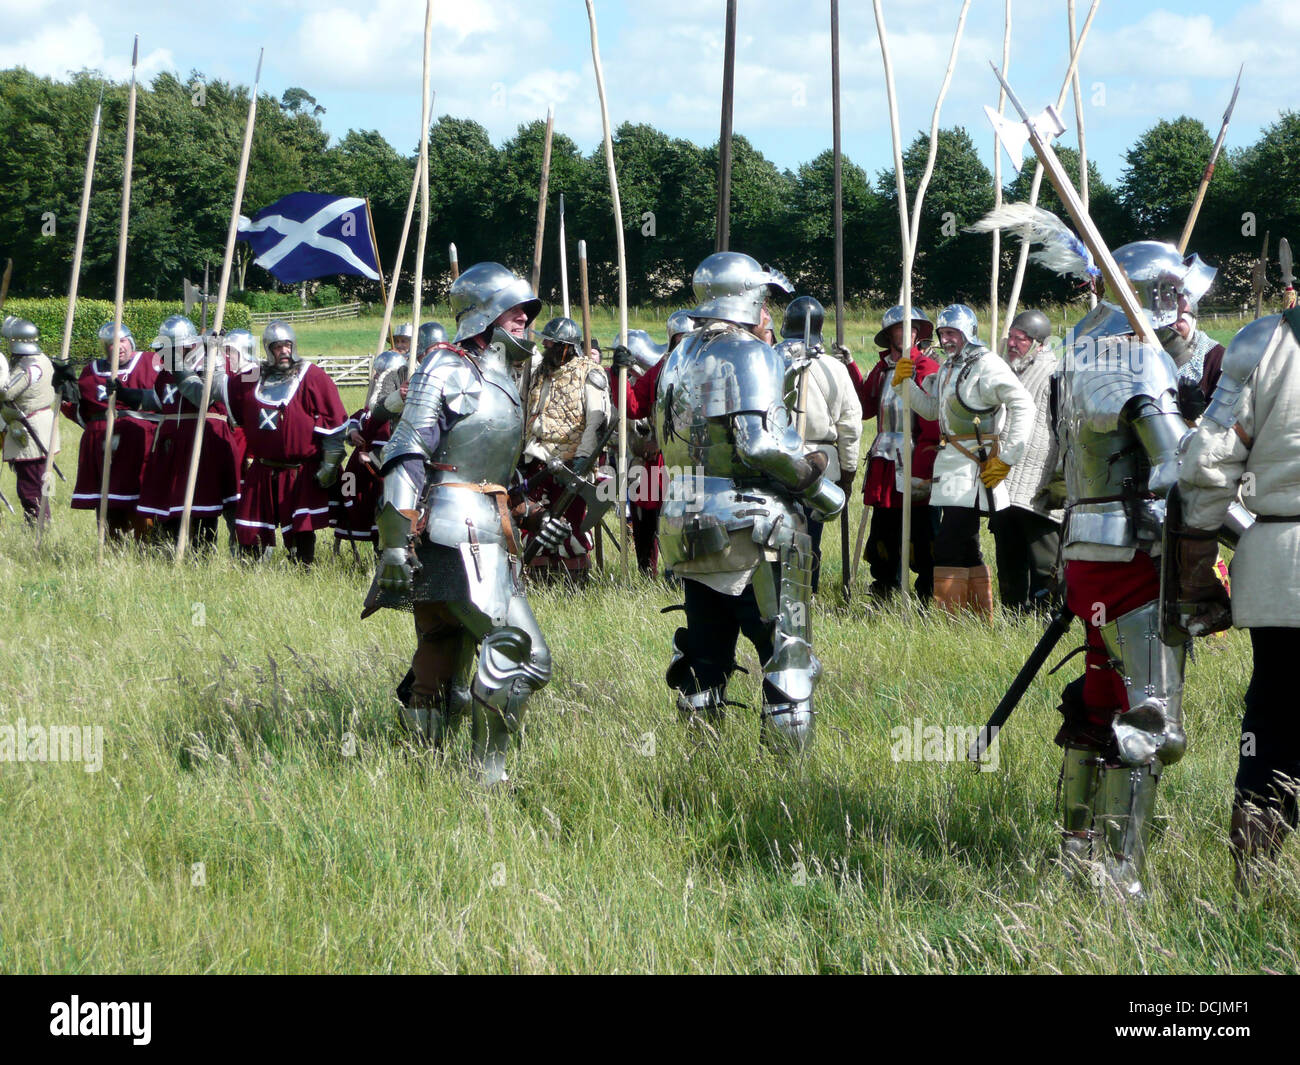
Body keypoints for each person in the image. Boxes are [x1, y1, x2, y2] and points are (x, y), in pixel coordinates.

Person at [1049, 240, 1214, 899]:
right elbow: (1181, 468)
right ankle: (1121, 879)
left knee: (1100, 700)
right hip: (1134, 553)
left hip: (1085, 550)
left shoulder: (1085, 346)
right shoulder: (1136, 357)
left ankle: (1075, 847)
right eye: (1174, 294)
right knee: (1153, 724)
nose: (1183, 307)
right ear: (1154, 296)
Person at [367, 262, 569, 784]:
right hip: (452, 530)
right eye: (515, 308)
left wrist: (532, 510)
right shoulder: (446, 366)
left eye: (529, 310)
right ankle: (485, 777)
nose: (526, 317)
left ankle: (427, 765)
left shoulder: (502, 377)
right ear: (483, 314)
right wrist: (393, 544)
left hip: (488, 528)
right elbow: (407, 452)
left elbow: (494, 469)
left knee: (445, 647)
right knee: (518, 653)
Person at [654, 251, 844, 752]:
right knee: (788, 657)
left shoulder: (680, 353)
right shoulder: (747, 352)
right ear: (747, 297)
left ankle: (702, 764)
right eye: (763, 299)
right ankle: (785, 790)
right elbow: (758, 444)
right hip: (751, 524)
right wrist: (820, 489)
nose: (768, 310)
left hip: (688, 518)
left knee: (705, 653)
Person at [1177, 307, 1300, 891]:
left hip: (1284, 568)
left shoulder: (1267, 341)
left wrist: (1197, 566)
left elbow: (1207, 462)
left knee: (1276, 724)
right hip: (1283, 560)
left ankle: (1254, 887)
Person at [895, 304, 1034, 618]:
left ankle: (949, 617)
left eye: (952, 332)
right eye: (943, 333)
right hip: (951, 464)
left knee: (948, 544)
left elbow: (1023, 403)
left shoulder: (987, 364)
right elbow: (933, 412)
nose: (946, 339)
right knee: (965, 543)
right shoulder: (948, 367)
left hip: (975, 465)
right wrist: (907, 384)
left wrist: (1008, 456)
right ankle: (974, 618)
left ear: (968, 332)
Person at [214, 321, 347, 564]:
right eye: (277, 347)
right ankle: (249, 570)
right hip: (262, 468)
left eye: (287, 345)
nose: (284, 351)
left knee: (300, 530)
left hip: (299, 470)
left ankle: (303, 568)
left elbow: (335, 426)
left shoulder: (312, 375)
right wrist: (212, 357)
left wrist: (328, 467)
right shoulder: (254, 376)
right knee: (249, 528)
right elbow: (222, 390)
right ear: (268, 349)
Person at [841, 305, 940, 601]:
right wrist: (850, 366)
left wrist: (923, 471)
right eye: (900, 329)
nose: (906, 333)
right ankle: (884, 591)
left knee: (923, 534)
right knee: (884, 532)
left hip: (916, 459)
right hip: (884, 459)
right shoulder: (884, 369)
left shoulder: (927, 369)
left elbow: (931, 424)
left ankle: (926, 596)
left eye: (911, 328)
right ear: (890, 335)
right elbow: (866, 408)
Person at [775, 296, 860, 594]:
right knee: (804, 537)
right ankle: (799, 597)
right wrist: (848, 471)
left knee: (790, 536)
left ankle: (798, 596)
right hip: (804, 460)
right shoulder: (835, 369)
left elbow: (850, 423)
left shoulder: (773, 360)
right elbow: (850, 426)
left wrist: (847, 471)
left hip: (784, 461)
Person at [136, 316, 244, 550]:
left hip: (206, 443)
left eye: (170, 348)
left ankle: (203, 556)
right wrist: (123, 394)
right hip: (173, 449)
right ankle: (169, 552)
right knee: (170, 504)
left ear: (187, 345)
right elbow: (156, 400)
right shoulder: (166, 372)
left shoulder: (215, 362)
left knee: (205, 504)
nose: (165, 354)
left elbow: (201, 396)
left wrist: (209, 354)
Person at [518, 316, 612, 584]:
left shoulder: (590, 372)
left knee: (569, 524)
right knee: (535, 520)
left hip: (571, 463)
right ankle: (539, 580)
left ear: (566, 346)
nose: (546, 345)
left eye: (551, 342)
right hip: (537, 459)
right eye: (546, 341)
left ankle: (574, 583)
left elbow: (597, 420)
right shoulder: (538, 372)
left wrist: (583, 458)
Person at [990, 309, 1064, 612]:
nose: (1012, 343)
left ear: (1039, 344)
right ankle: (1013, 618)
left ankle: (1048, 618)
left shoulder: (1056, 376)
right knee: (1008, 557)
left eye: (1020, 339)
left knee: (1044, 560)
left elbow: (1066, 429)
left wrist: (1061, 478)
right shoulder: (1007, 370)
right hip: (1004, 479)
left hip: (1038, 480)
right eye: (1011, 337)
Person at [70, 322, 161, 539]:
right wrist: (67, 393)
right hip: (103, 447)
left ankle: (147, 547)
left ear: (131, 342)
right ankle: (112, 548)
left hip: (140, 444)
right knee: (109, 502)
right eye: (111, 343)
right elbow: (83, 416)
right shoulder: (89, 373)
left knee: (140, 499)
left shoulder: (152, 363)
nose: (118, 347)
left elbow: (165, 400)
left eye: (122, 341)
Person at [616, 328, 671, 575]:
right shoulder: (661, 369)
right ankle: (647, 573)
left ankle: (679, 576)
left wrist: (661, 441)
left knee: (679, 518)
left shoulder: (699, 366)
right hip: (651, 462)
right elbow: (634, 406)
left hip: (684, 456)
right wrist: (619, 375)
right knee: (644, 517)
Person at [0, 319, 59, 523]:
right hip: (34, 425)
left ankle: (38, 525)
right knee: (34, 481)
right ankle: (38, 522)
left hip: (31, 428)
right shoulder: (39, 358)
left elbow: (5, 392)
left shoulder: (29, 366)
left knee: (30, 485)